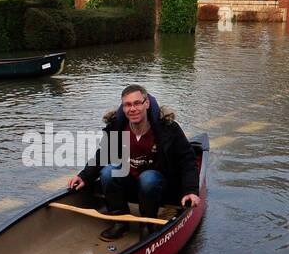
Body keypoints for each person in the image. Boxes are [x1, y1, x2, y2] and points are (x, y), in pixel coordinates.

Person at [67, 84, 200, 241]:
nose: (133, 109)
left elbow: (188, 160)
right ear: (123, 108)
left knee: (148, 178)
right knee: (108, 172)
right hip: (130, 184)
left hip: (160, 186)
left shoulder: (168, 128)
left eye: (137, 103)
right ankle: (121, 222)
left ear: (147, 103)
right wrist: (84, 176)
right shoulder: (116, 127)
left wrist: (190, 190)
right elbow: (103, 154)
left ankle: (148, 224)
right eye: (127, 105)